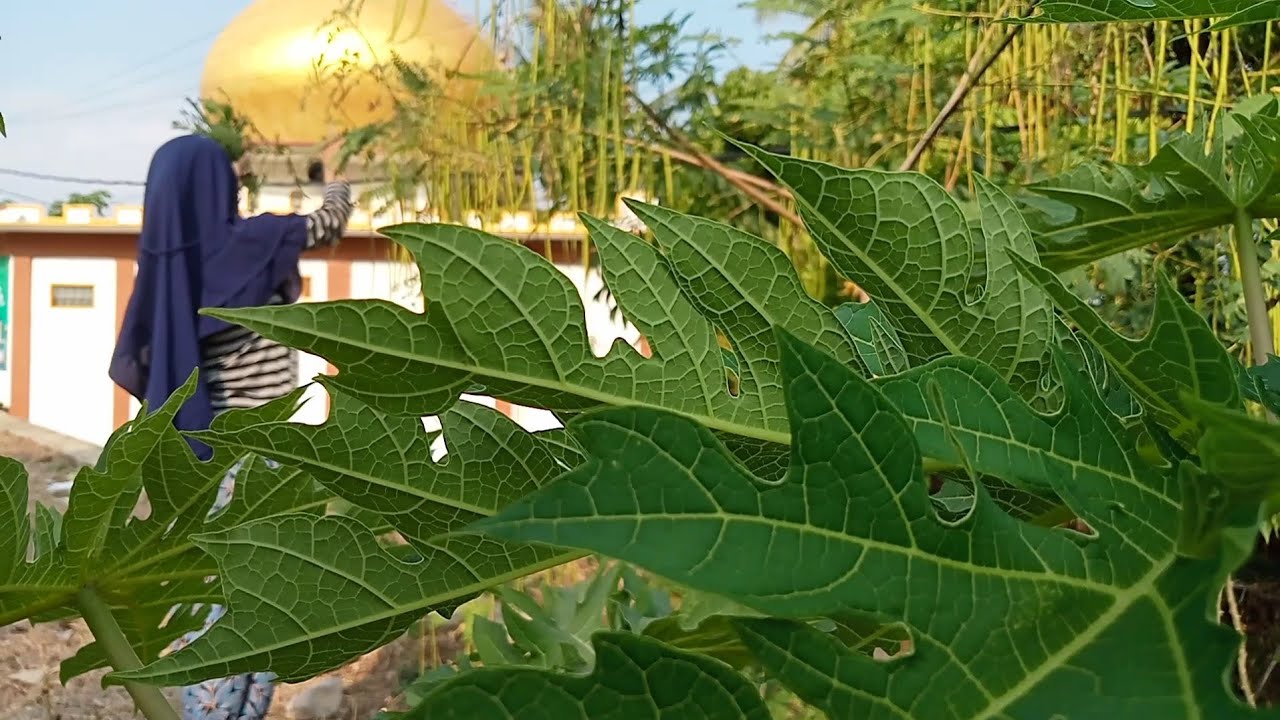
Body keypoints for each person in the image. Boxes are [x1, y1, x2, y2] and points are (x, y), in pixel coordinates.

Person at [109, 134, 354, 720]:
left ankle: (210, 712)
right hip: (263, 452)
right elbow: (330, 220)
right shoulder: (253, 245)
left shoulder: (171, 270)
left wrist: (222, 171)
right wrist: (336, 172)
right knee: (266, 591)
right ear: (220, 186)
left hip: (207, 456)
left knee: (216, 590)